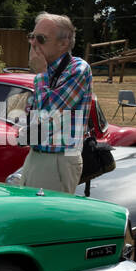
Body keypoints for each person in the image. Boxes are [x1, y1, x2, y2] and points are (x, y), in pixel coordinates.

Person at [13, 12, 91, 193]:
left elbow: (49, 112)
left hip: (59, 159)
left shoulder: (78, 69)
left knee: (42, 219)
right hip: (37, 156)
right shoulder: (47, 72)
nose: (33, 43)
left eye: (41, 39)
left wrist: (40, 73)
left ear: (63, 43)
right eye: (32, 36)